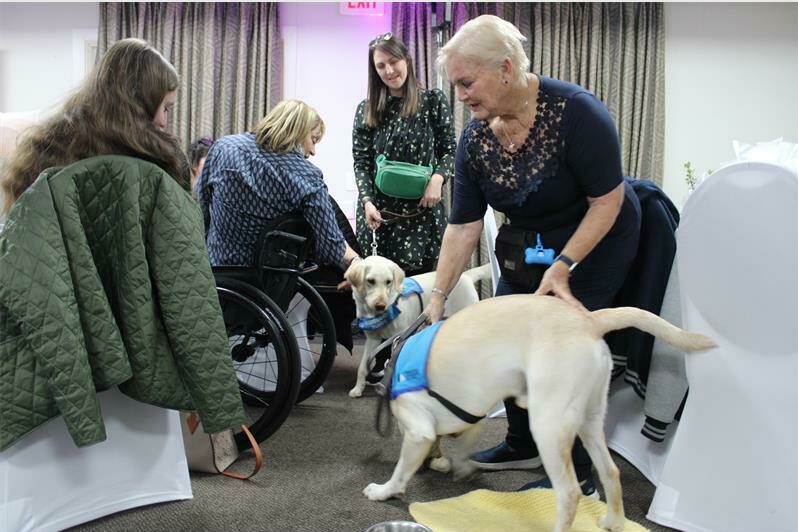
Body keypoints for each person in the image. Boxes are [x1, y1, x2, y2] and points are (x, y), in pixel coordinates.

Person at [426, 15, 642, 497]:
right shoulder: (475, 138)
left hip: (596, 240)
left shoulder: (578, 113)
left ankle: (578, 467)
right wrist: (438, 295)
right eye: (455, 84)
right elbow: (462, 226)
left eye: (466, 82)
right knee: (510, 338)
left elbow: (608, 201)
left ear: (505, 68)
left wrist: (565, 266)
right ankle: (522, 442)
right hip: (528, 246)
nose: (460, 95)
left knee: (560, 349)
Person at [1, 38, 191, 214]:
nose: (163, 121)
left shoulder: (45, 147)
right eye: (164, 107)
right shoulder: (158, 165)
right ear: (136, 102)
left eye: (167, 109)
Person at [197, 100, 359, 271]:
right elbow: (332, 245)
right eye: (313, 139)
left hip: (216, 270)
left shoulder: (223, 147)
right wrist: (357, 260)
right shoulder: (305, 174)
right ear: (298, 130)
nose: (313, 151)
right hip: (265, 278)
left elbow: (203, 205)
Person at [352, 32, 457, 276]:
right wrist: (367, 202)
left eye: (393, 61)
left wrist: (437, 179)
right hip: (379, 215)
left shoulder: (432, 101)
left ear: (406, 60)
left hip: (421, 214)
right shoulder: (366, 110)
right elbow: (361, 162)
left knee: (419, 294)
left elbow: (450, 150)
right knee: (380, 297)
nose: (389, 70)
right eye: (381, 65)